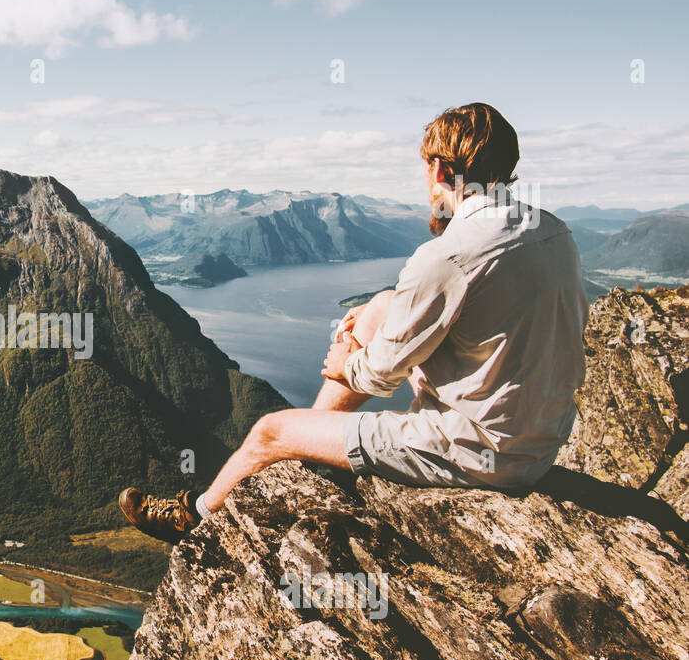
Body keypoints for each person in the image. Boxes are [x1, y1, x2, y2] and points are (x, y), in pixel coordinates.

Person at [120, 102, 589, 542]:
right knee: (381, 307)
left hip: (477, 452)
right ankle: (317, 443)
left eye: (427, 173)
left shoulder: (450, 254)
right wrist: (373, 320)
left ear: (443, 170)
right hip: (537, 438)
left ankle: (195, 516)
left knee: (269, 431)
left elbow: (382, 375)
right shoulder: (550, 229)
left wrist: (346, 363)